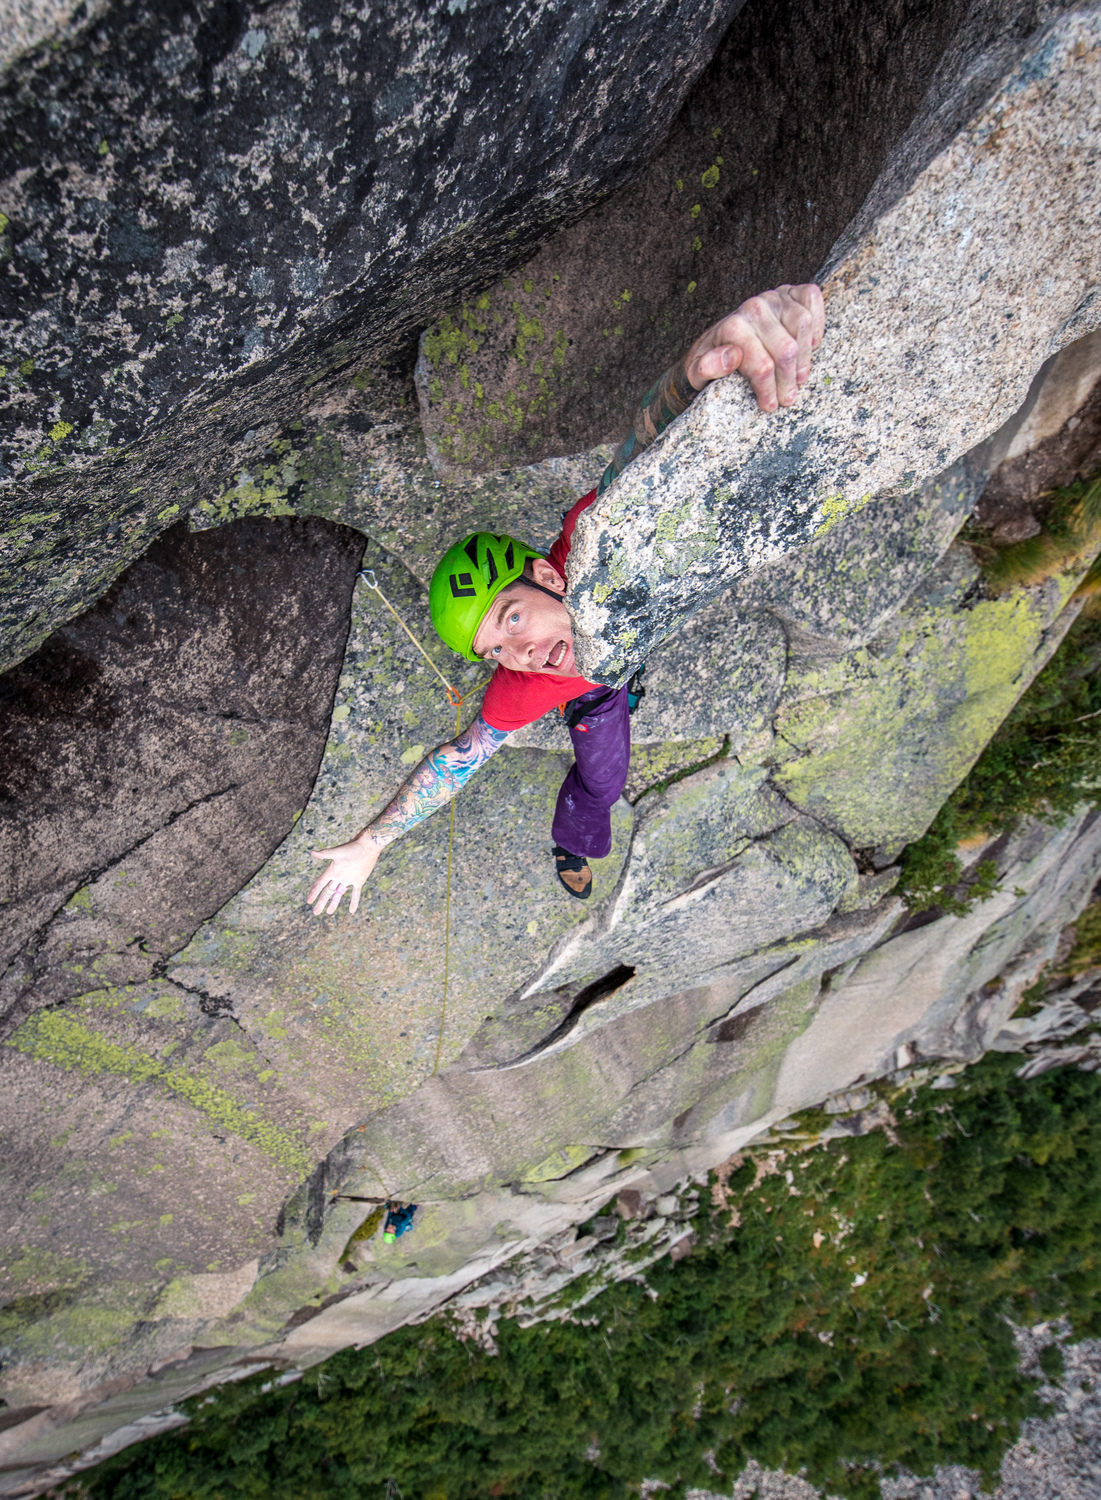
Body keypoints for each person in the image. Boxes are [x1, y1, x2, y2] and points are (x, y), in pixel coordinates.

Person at [307, 283, 825, 915]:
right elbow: (456, 762)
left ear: (547, 578)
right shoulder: (520, 688)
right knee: (604, 784)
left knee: (605, 755)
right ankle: (574, 843)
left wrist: (697, 371)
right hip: (594, 695)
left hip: (611, 659)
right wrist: (373, 843)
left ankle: (608, 719)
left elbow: (642, 448)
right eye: (496, 650)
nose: (519, 653)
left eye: (512, 618)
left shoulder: (591, 541)